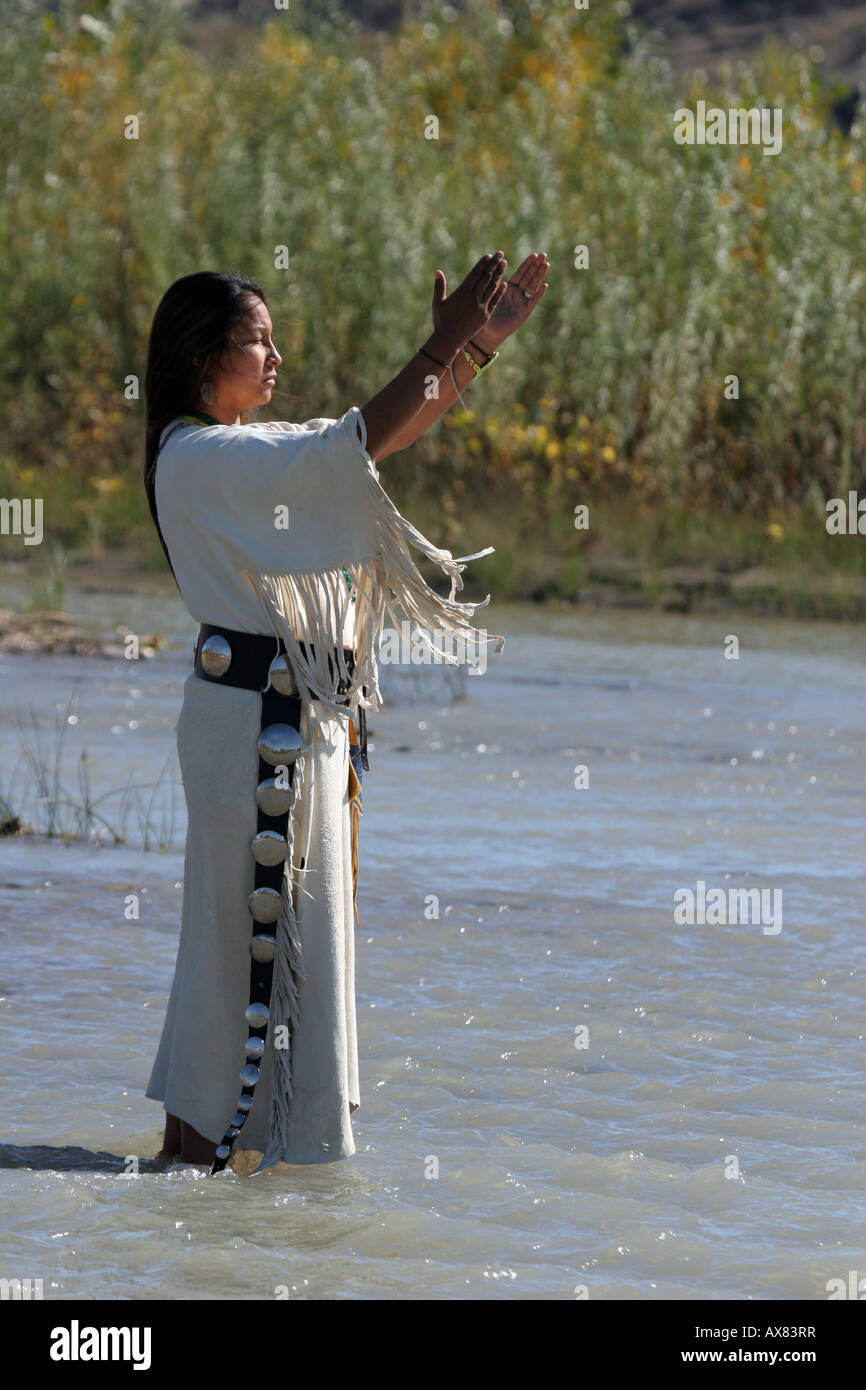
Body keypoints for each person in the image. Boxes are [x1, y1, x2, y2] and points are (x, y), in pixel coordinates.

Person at [143, 250, 549, 1174]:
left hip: (267, 726)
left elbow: (370, 440)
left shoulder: (218, 453)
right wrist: (441, 344)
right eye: (259, 339)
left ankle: (198, 1165)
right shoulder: (203, 455)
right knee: (248, 952)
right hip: (261, 734)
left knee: (239, 949)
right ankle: (203, 1175)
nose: (277, 356)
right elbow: (357, 444)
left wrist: (469, 351)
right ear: (206, 355)